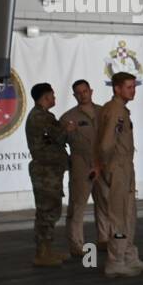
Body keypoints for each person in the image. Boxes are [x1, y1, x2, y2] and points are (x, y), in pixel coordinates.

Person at [94, 71, 143, 278]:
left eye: (134, 87)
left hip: (124, 167)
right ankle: (116, 260)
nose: (133, 91)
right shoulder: (116, 111)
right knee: (118, 217)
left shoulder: (119, 109)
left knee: (128, 214)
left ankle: (128, 255)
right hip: (118, 168)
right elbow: (106, 144)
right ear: (117, 88)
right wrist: (108, 167)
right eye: (129, 87)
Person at [24, 82, 75, 267]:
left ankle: (47, 250)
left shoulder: (41, 115)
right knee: (47, 212)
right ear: (45, 97)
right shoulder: (41, 117)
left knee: (49, 211)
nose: (54, 98)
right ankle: (42, 254)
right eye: (52, 96)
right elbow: (58, 137)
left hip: (50, 170)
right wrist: (67, 129)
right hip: (46, 171)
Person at [60, 79, 109, 260]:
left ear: (91, 91)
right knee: (77, 206)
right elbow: (58, 141)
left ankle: (104, 239)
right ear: (74, 95)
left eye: (85, 91)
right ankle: (76, 245)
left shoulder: (103, 112)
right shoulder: (68, 117)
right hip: (81, 164)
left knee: (104, 202)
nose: (82, 95)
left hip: (102, 164)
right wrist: (66, 131)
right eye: (78, 93)